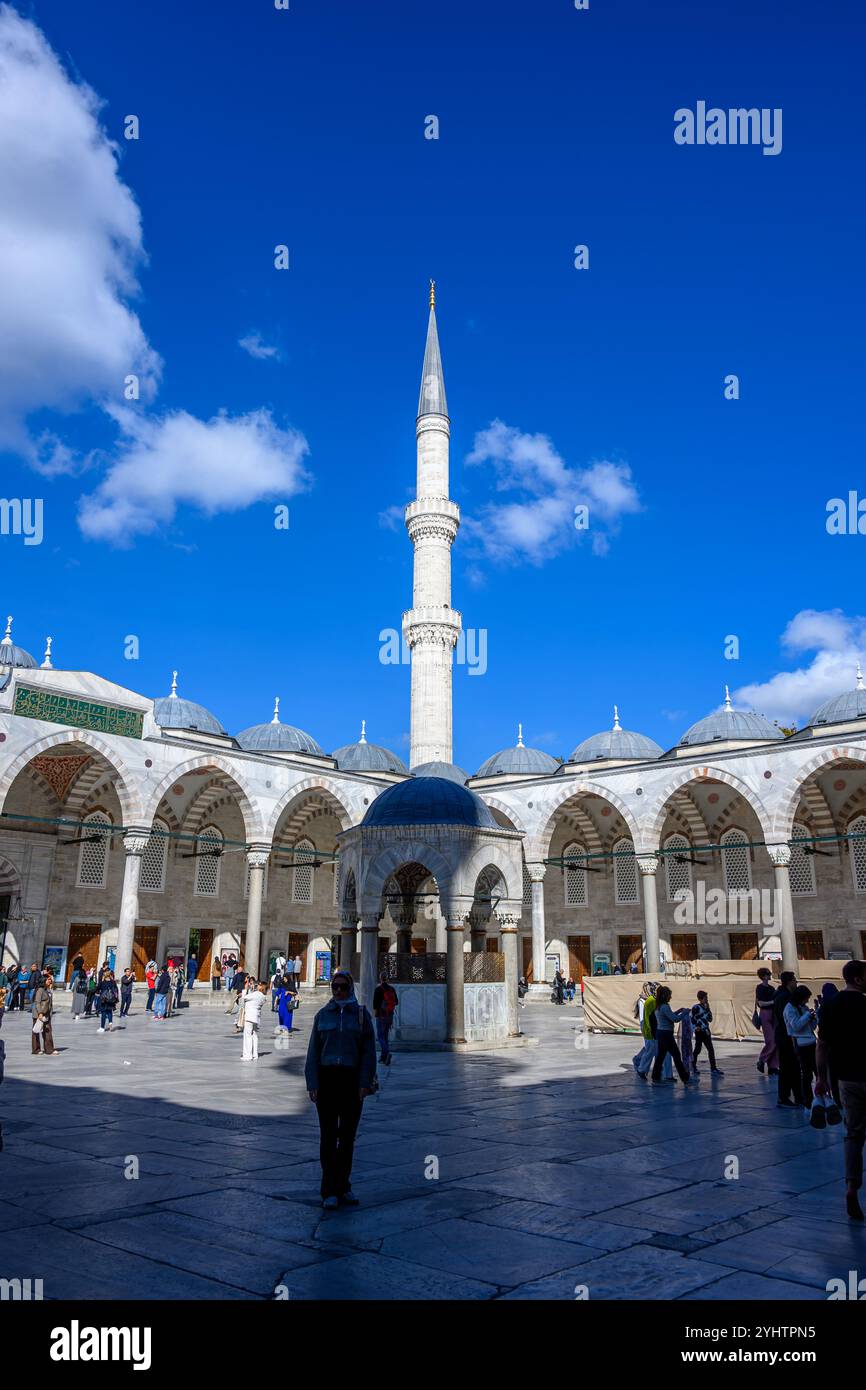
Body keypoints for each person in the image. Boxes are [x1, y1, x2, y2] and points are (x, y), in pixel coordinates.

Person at [305, 970, 377, 1210]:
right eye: (335, 987)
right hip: (327, 1079)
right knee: (328, 1137)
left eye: (343, 987)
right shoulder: (322, 1015)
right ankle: (328, 1191)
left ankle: (343, 1186)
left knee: (346, 1138)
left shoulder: (360, 1015)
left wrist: (365, 1082)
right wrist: (312, 1083)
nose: (338, 991)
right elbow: (313, 1051)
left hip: (351, 1079)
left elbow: (368, 1052)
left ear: (351, 988)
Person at [816, 959, 866, 1222]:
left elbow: (822, 1045)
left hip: (845, 1080)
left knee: (853, 1135)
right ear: (858, 979)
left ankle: (851, 1187)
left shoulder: (830, 1005)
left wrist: (820, 1079)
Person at [651, 986, 695, 1086]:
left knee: (660, 1056)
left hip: (660, 1033)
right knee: (676, 1055)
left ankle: (655, 1076)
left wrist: (678, 1011)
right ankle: (685, 1078)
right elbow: (674, 1019)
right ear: (665, 996)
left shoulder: (659, 1006)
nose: (670, 997)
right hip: (666, 1034)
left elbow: (669, 1016)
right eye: (669, 995)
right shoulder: (665, 1006)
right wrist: (684, 1013)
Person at [784, 984, 818, 1109]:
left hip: (811, 1041)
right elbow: (796, 1026)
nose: (807, 1001)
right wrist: (807, 1016)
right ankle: (807, 1099)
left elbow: (812, 1026)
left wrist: (814, 1017)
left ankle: (820, 1096)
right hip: (801, 1044)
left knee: (818, 1071)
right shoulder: (790, 1009)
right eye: (806, 998)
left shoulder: (803, 1007)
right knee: (807, 1073)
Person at [773, 971, 803, 1108]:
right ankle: (783, 1097)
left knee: (794, 1067)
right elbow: (785, 1019)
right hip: (786, 1037)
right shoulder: (784, 998)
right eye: (794, 980)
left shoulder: (782, 995)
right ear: (789, 982)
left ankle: (798, 1096)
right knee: (787, 1068)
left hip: (786, 1036)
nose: (796, 982)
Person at [691, 991, 724, 1075]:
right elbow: (693, 1019)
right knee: (697, 1049)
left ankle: (713, 1068)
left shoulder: (706, 1007)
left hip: (706, 1031)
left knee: (710, 1049)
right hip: (699, 1031)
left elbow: (710, 1019)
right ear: (701, 998)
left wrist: (708, 1010)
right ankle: (693, 1065)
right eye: (705, 998)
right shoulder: (696, 1007)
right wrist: (695, 1027)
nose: (707, 999)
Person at [755, 967, 779, 1075]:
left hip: (773, 1013)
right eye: (768, 974)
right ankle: (762, 1059)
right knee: (771, 1040)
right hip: (765, 1013)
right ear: (764, 976)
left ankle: (773, 1066)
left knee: (775, 1040)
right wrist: (773, 1002)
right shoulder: (760, 988)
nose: (770, 975)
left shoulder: (772, 988)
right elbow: (760, 1003)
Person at [372, 970, 398, 1065]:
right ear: (387, 978)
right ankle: (383, 1057)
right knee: (385, 1036)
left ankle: (386, 1052)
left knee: (380, 1036)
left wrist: (376, 1014)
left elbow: (375, 1005)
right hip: (390, 1016)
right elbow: (397, 1002)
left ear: (380, 979)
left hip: (381, 1016)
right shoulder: (392, 989)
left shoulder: (378, 989)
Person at [241, 979, 268, 1060]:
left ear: (261, 987)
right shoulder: (263, 997)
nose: (257, 986)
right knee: (254, 1035)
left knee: (247, 1035)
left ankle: (247, 1055)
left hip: (249, 1017)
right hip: (256, 1017)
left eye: (259, 985)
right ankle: (255, 1054)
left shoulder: (256, 994)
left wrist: (246, 989)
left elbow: (244, 998)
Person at [31, 971, 57, 1056]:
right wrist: (40, 1013)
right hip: (39, 1014)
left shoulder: (47, 990)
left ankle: (49, 1049)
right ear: (44, 980)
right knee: (36, 1031)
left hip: (46, 1014)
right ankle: (36, 1049)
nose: (50, 981)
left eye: (50, 979)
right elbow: (37, 1002)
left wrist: (50, 988)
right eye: (48, 979)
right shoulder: (40, 990)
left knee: (47, 1031)